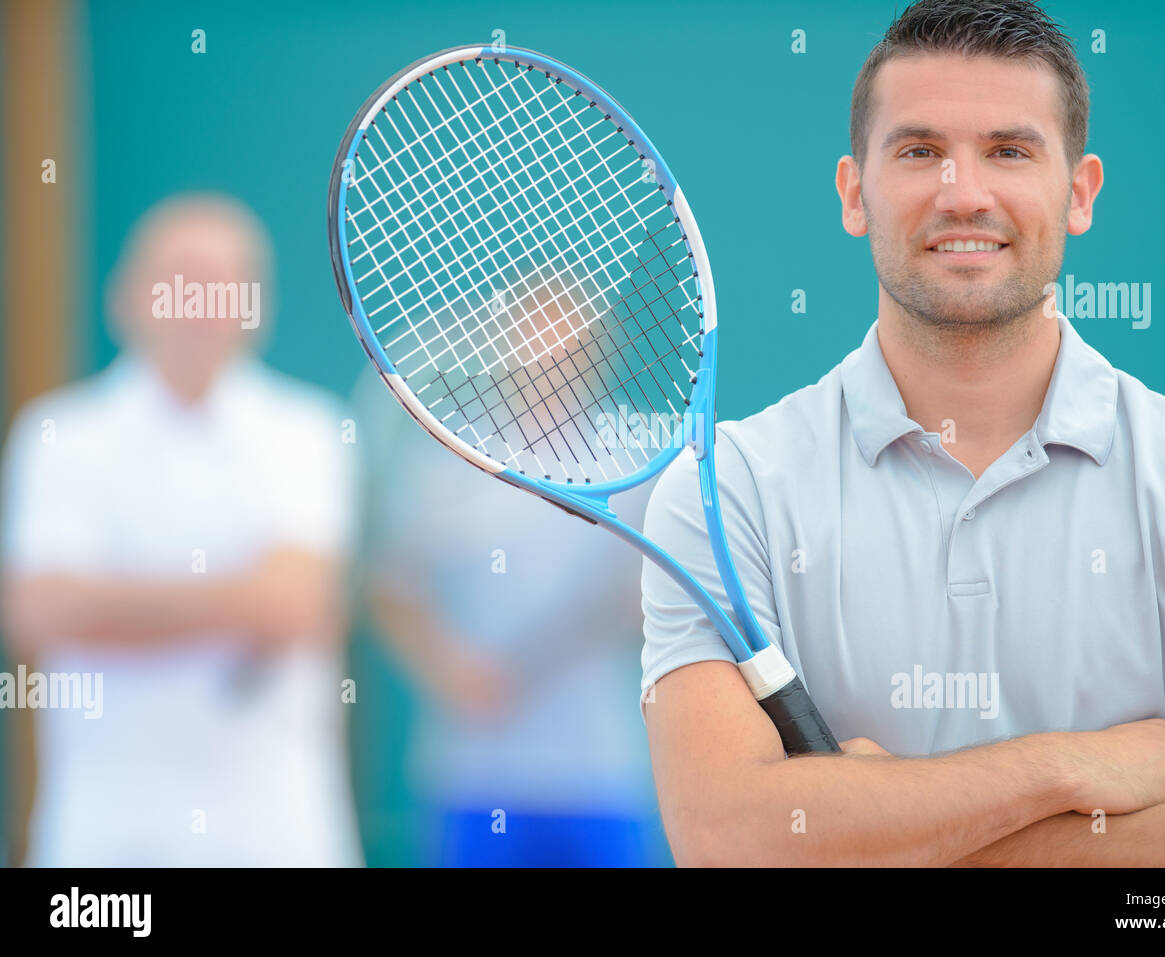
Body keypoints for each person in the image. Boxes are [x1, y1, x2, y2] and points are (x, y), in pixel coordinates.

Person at [641, 0, 1165, 866]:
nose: (964, 194)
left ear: (1079, 193)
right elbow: (730, 839)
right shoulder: (724, 492)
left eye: (1009, 151)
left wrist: (877, 821)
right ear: (854, 193)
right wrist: (1070, 769)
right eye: (919, 152)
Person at [1, 194, 362, 865]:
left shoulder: (310, 433)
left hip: (279, 839)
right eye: (179, 277)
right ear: (126, 296)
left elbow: (293, 604)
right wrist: (237, 600)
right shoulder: (57, 436)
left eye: (223, 282)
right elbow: (39, 609)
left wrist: (109, 606)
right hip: (103, 850)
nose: (198, 302)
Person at [351, 363, 666, 867]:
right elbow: (391, 590)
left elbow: (651, 601)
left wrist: (641, 610)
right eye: (535, 345)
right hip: (474, 779)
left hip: (600, 778)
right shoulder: (451, 455)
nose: (552, 363)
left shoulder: (631, 462)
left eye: (570, 347)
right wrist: (448, 667)